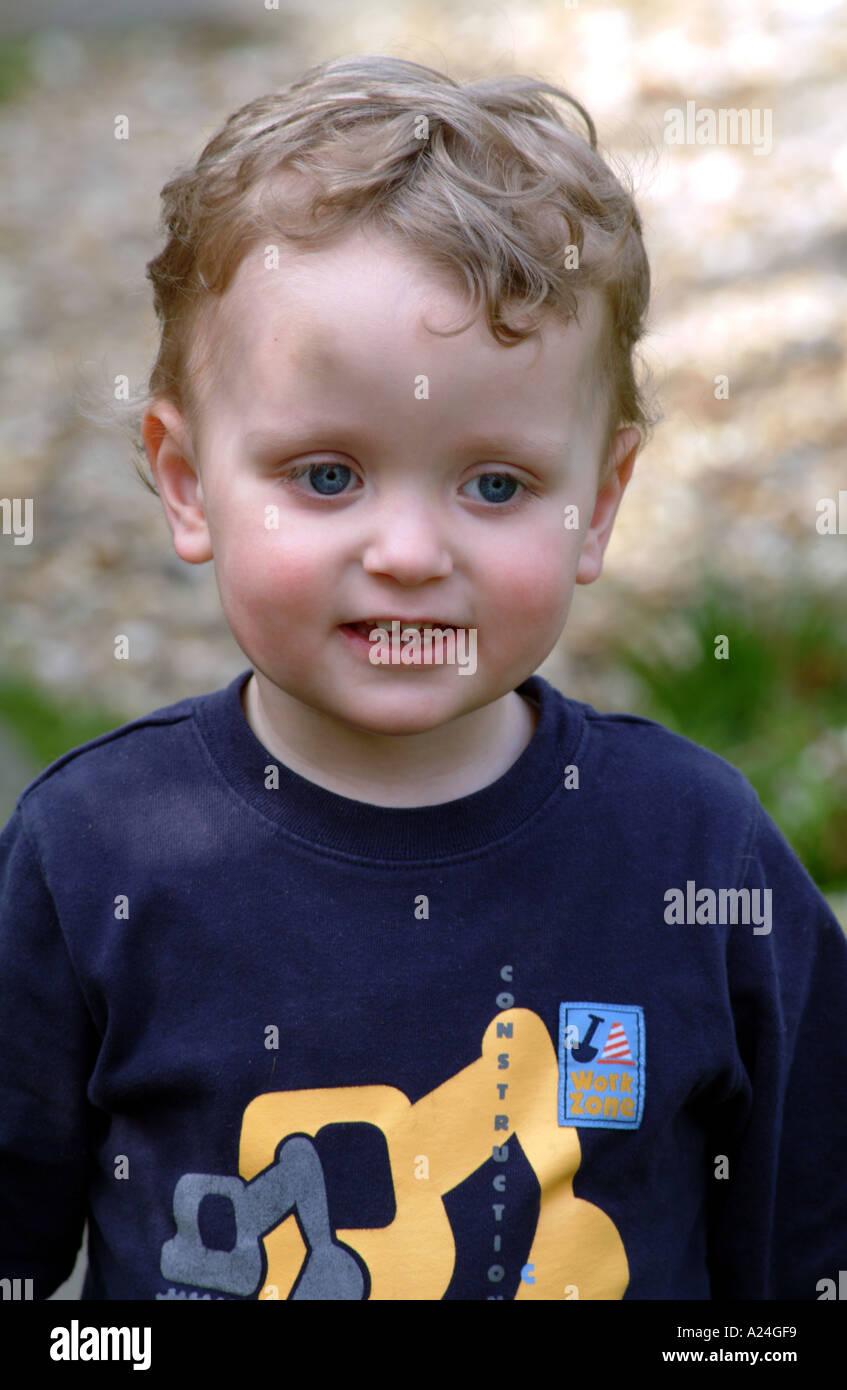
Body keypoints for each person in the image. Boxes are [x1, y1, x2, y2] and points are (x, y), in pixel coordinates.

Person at [1, 54, 845, 1302]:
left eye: (494, 484)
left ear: (599, 503)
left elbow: (805, 1248)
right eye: (327, 476)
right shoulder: (92, 856)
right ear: (185, 481)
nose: (407, 555)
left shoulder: (694, 853)